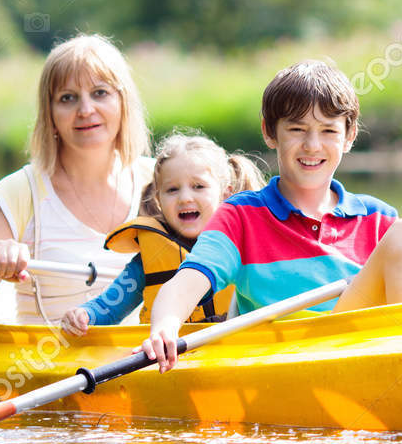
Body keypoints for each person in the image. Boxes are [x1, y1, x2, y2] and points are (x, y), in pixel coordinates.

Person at [138, 60, 402, 371]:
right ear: (270, 133)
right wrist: (166, 326)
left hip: (375, 349)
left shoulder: (377, 217)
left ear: (349, 135)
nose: (312, 145)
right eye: (297, 129)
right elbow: (186, 283)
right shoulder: (240, 217)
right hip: (306, 359)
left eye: (328, 130)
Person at [0, 34, 153, 327]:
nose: (85, 110)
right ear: (50, 114)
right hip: (40, 364)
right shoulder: (19, 193)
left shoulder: (162, 185)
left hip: (145, 358)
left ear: (123, 103)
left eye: (100, 93)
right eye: (67, 98)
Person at [57, 132, 267, 335]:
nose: (185, 198)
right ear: (158, 198)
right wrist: (85, 315)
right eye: (172, 190)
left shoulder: (246, 246)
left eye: (198, 186)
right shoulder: (148, 259)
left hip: (236, 357)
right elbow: (109, 307)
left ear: (225, 193)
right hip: (172, 362)